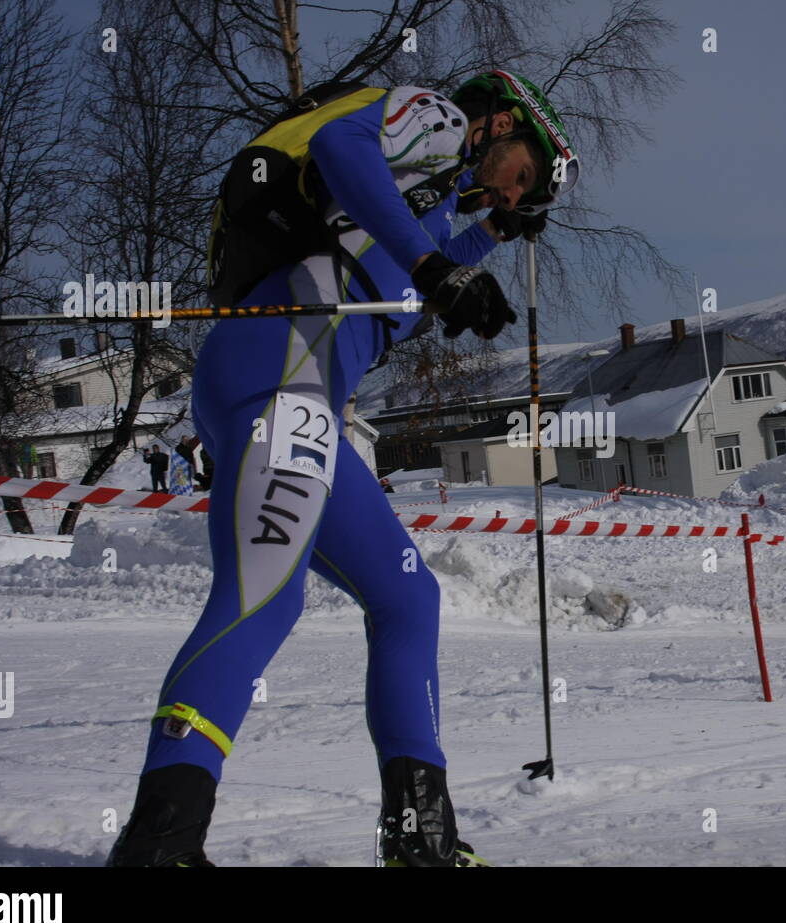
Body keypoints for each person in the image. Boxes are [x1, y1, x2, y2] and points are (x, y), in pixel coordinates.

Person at [107, 71, 578, 869]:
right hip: (280, 376)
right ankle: (159, 845)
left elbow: (388, 274)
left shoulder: (413, 201)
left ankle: (419, 836)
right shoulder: (434, 119)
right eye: (522, 173)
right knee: (261, 597)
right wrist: (439, 270)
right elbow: (338, 144)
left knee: (406, 595)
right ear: (499, 122)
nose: (512, 188)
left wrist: (483, 244)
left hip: (295, 391)